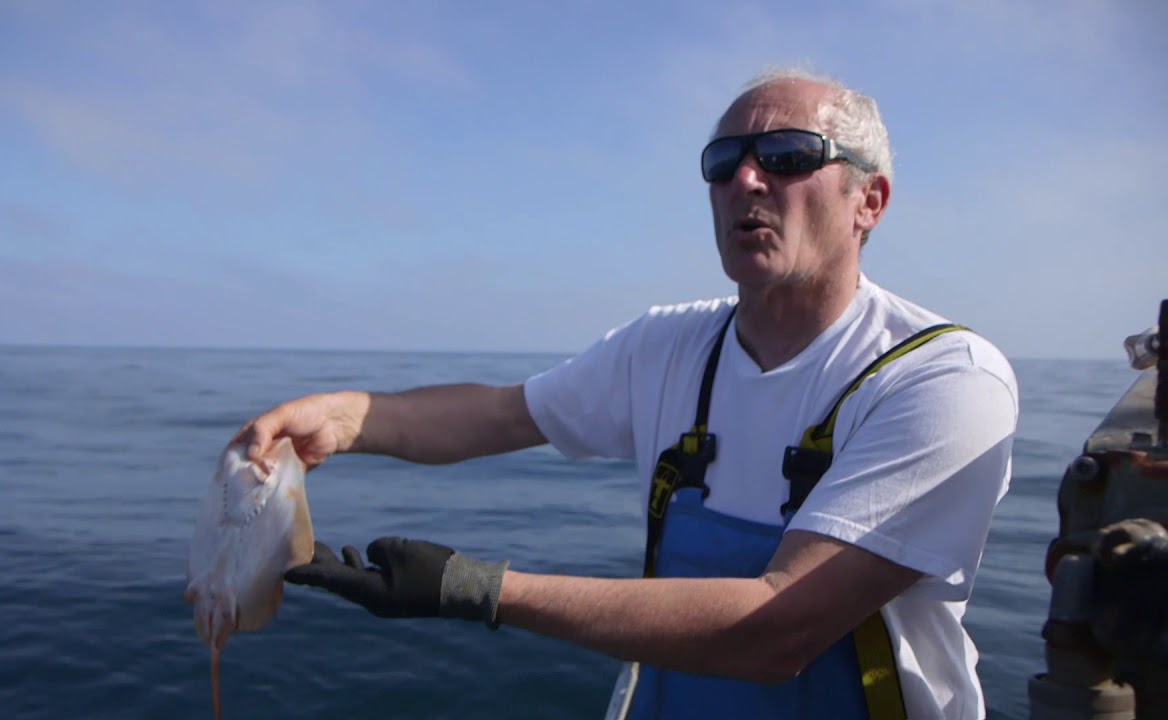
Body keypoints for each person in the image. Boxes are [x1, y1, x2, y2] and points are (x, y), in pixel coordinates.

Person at [236, 68, 1018, 719]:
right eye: (724, 161)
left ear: (868, 202)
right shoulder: (668, 346)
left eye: (787, 154)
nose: (747, 177)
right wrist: (338, 418)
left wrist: (473, 590)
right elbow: (503, 413)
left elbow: (777, 629)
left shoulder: (941, 379)